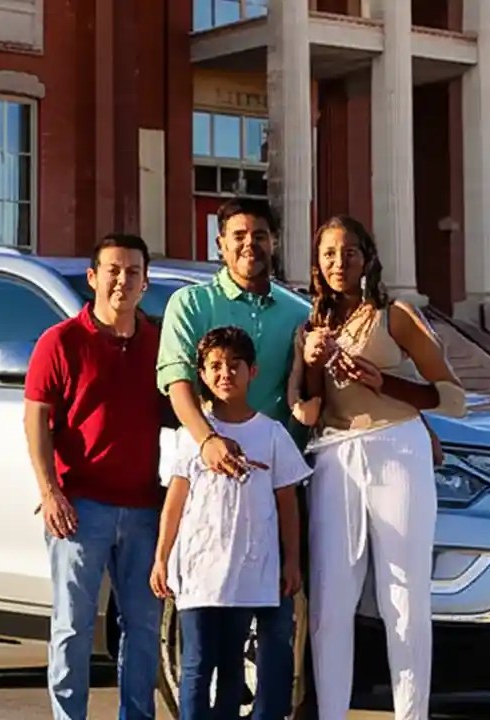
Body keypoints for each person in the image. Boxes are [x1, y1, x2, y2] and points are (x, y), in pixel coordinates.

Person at [291, 215, 467, 720]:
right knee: (330, 601)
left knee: (404, 597)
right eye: (328, 254)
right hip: (334, 456)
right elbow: (308, 409)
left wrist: (381, 380)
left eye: (349, 252)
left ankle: (411, 714)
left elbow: (453, 399)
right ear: (318, 265)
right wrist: (309, 362)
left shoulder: (397, 316)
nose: (338, 263)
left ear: (367, 258)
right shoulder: (313, 325)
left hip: (397, 450)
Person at [156, 197, 308, 719]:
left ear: (274, 243)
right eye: (238, 235)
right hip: (208, 494)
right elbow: (176, 383)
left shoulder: (298, 314)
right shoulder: (190, 304)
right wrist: (207, 441)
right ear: (219, 244)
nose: (250, 244)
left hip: (275, 484)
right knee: (206, 652)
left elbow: (314, 391)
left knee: (276, 631)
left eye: (260, 234)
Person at [24, 233, 165, 720]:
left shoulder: (158, 343)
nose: (122, 279)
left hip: (146, 508)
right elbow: (35, 420)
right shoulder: (60, 342)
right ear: (93, 277)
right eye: (113, 269)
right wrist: (50, 491)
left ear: (145, 282)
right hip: (81, 508)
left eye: (132, 271)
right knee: (73, 625)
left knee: (144, 627)